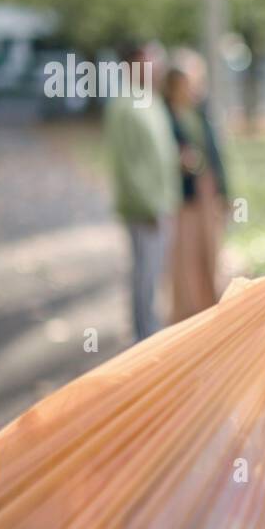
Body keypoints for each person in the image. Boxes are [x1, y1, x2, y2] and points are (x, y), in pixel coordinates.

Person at [103, 41, 179, 342]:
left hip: (162, 202)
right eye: (150, 62)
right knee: (144, 274)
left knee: (154, 273)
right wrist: (147, 206)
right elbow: (126, 164)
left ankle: (149, 330)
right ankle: (143, 335)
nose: (156, 67)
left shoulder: (152, 101)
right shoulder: (124, 105)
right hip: (144, 208)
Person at [162, 48, 229, 324]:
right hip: (183, 196)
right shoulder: (166, 114)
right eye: (188, 81)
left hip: (207, 190)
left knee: (210, 252)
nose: (193, 86)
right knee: (184, 256)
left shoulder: (202, 111)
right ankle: (184, 317)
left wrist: (224, 191)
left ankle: (210, 312)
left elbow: (215, 153)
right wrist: (177, 158)